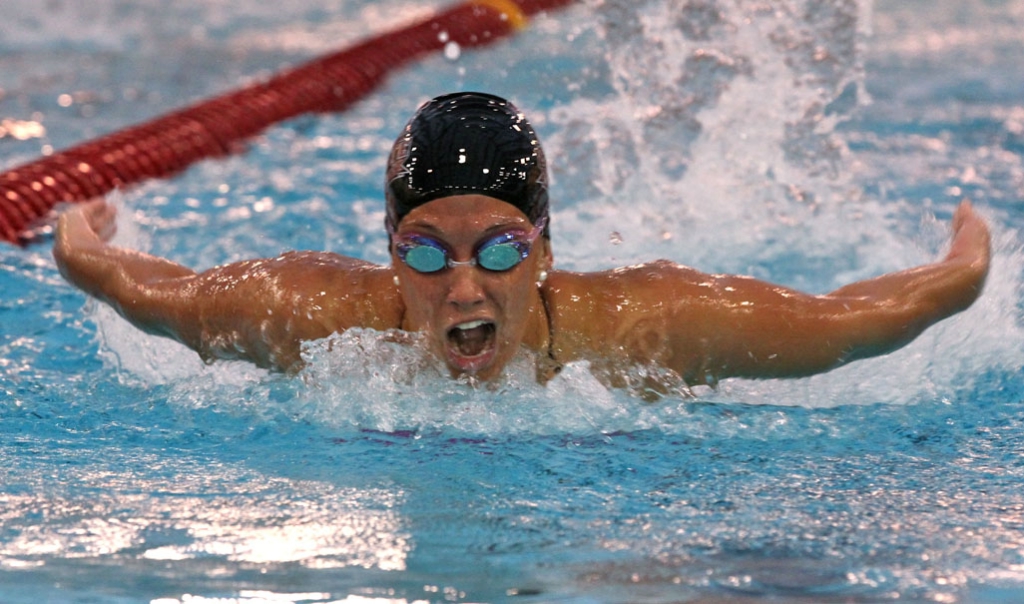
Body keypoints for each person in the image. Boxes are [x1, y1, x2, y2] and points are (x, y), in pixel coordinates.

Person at [53, 92, 991, 394]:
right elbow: (138, 286)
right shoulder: (308, 318)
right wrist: (82, 235)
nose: (463, 288)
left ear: (543, 250)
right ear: (387, 253)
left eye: (497, 251)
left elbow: (847, 323)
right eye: (426, 253)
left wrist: (961, 268)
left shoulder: (643, 328)